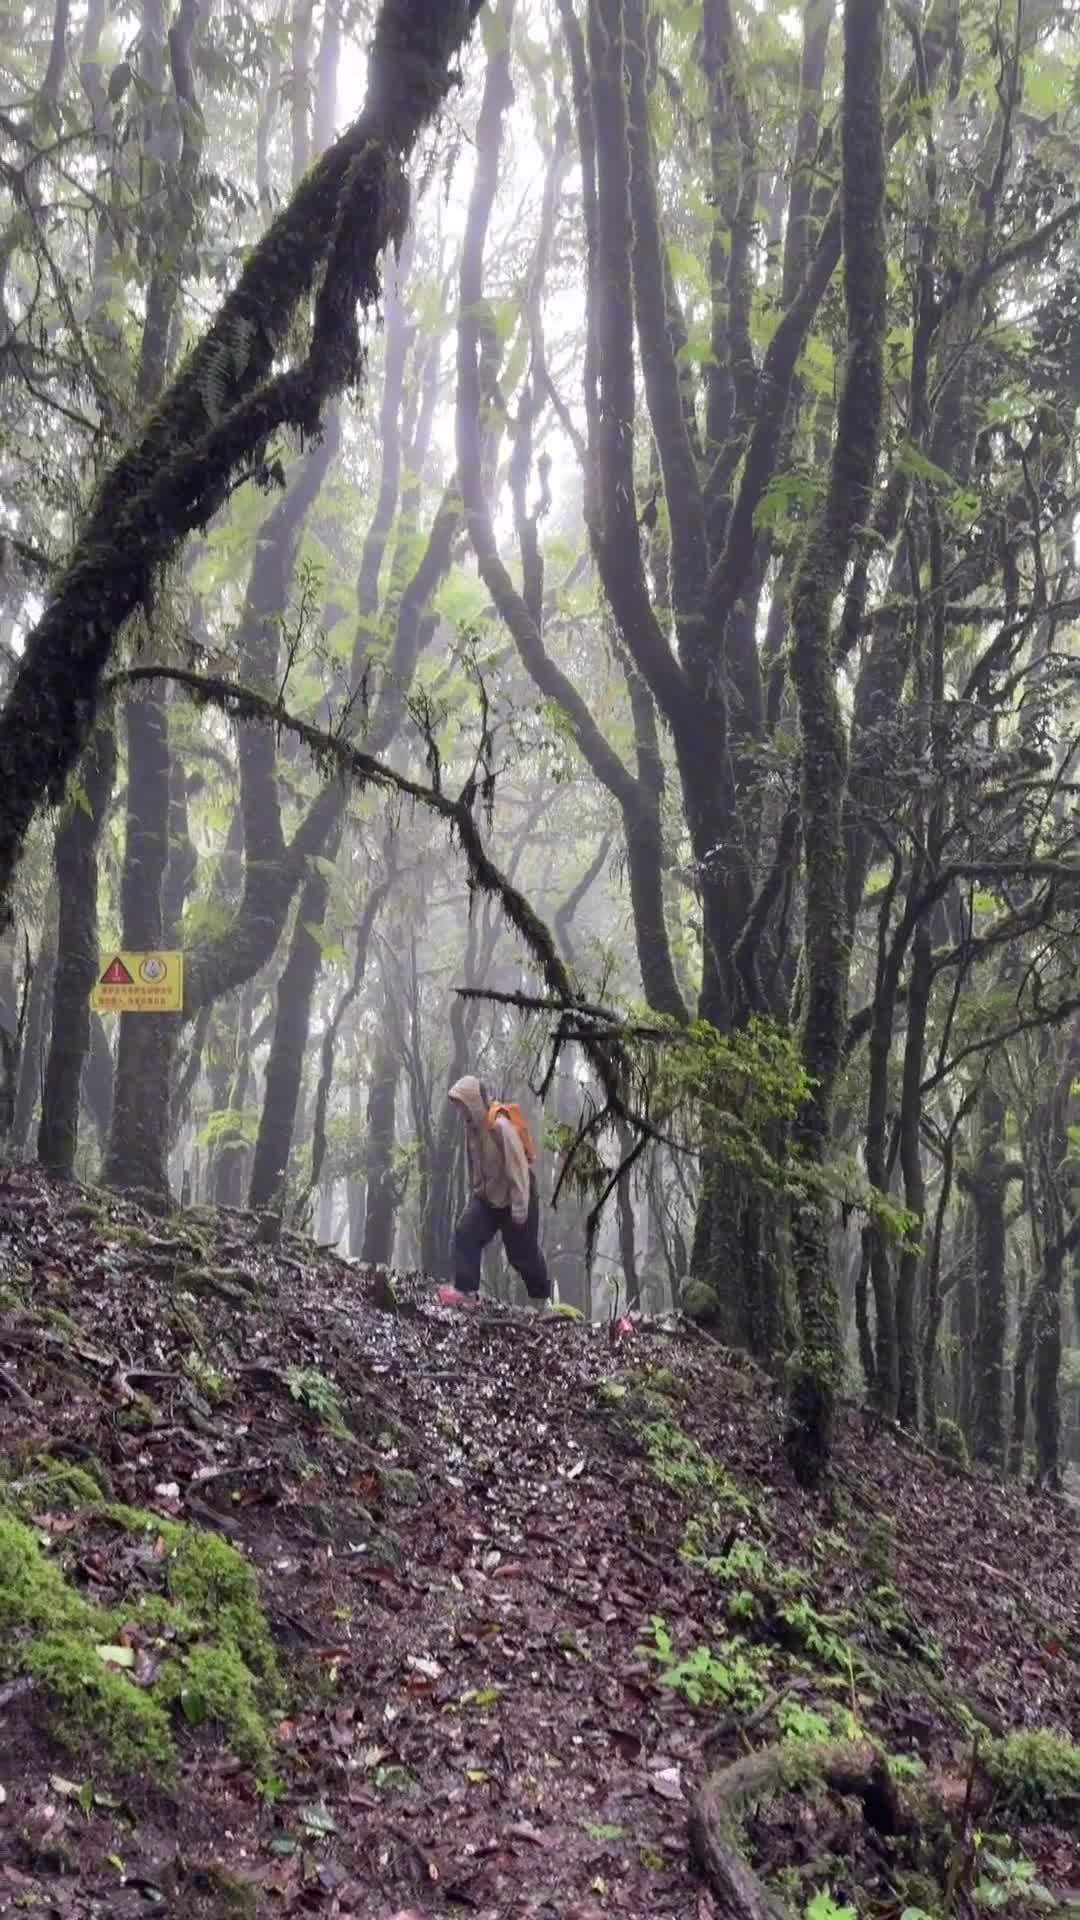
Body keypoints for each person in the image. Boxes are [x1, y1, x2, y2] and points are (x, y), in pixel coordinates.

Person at [447, 1074, 549, 1305]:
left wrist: (520, 1208)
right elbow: (475, 1166)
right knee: (465, 1233)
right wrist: (475, 1193)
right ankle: (466, 1295)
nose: (460, 1112)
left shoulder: (500, 1125)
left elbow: (519, 1167)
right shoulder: (470, 1128)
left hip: (517, 1196)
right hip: (489, 1198)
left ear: (473, 1101)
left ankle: (543, 1300)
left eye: (462, 1105)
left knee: (521, 1254)